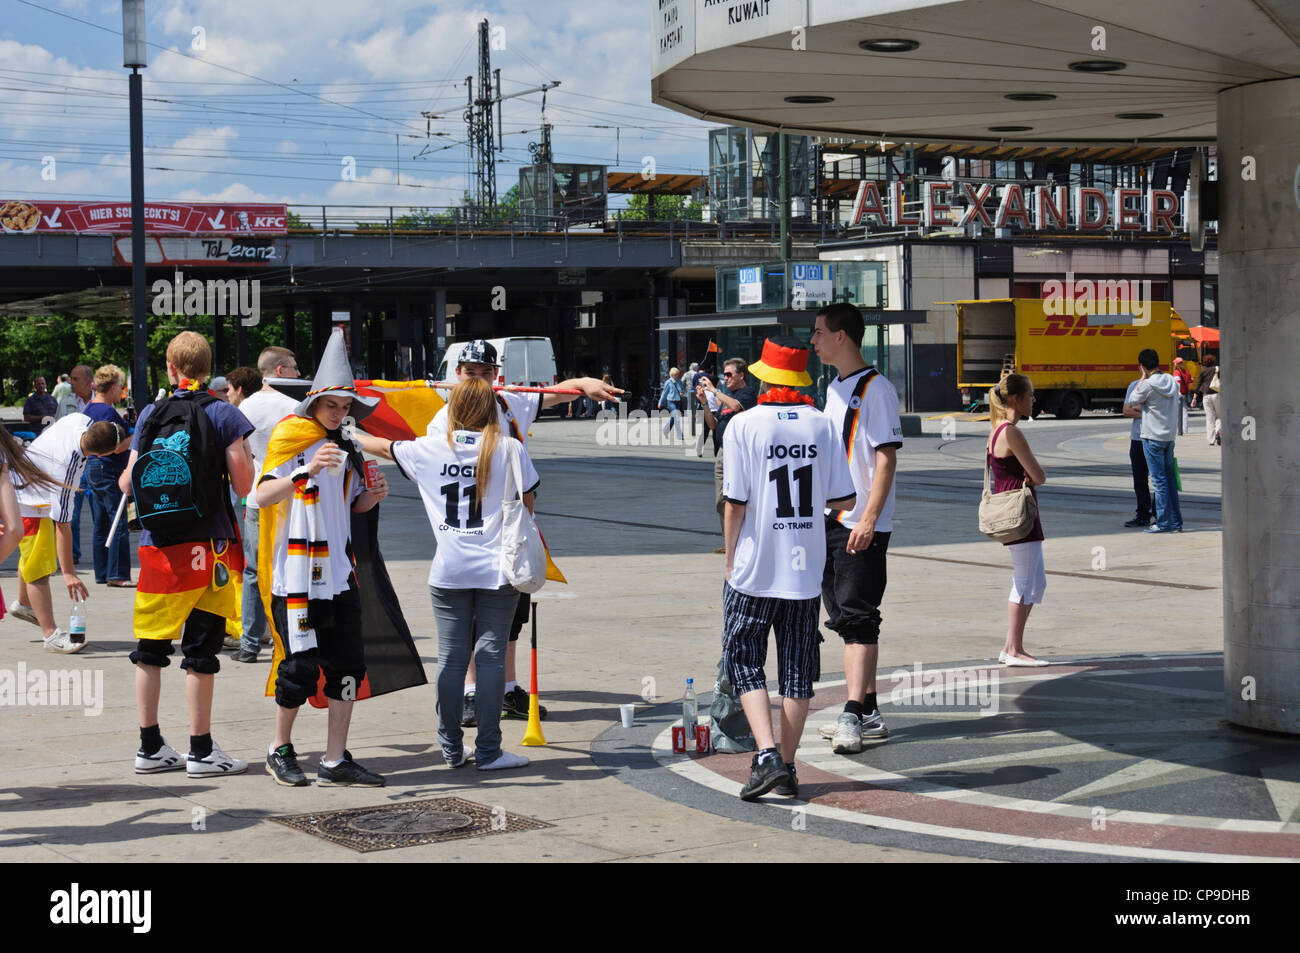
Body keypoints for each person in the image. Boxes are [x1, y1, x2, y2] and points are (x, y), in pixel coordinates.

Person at [428, 339, 622, 724]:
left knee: (510, 620)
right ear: (457, 375)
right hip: (467, 539)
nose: (480, 381)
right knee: (470, 622)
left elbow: (551, 395)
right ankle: (470, 693)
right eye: (471, 373)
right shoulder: (441, 421)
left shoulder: (509, 403)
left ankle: (505, 689)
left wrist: (584, 382)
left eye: (487, 373)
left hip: (510, 537)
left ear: (497, 374)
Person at [357, 377, 540, 770]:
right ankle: (490, 751)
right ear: (492, 409)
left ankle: (451, 748)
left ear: (452, 410)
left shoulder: (429, 449)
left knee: (451, 659)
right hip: (497, 571)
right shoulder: (510, 449)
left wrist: (341, 427)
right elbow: (528, 503)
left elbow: (381, 445)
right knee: (491, 660)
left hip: (449, 569)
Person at [721, 337, 855, 801]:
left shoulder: (743, 424)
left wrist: (728, 555)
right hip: (805, 568)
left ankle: (766, 756)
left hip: (756, 565)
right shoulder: (822, 425)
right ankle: (789, 766)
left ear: (764, 376)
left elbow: (735, 502)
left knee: (743, 658)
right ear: (801, 379)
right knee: (798, 668)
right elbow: (845, 498)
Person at [256, 331, 391, 787]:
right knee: (298, 667)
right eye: (332, 404)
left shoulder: (348, 448)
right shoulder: (292, 438)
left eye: (345, 406)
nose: (339, 412)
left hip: (338, 575)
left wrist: (371, 497)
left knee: (348, 668)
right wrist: (304, 471)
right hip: (295, 577)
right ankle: (279, 748)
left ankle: (335, 759)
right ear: (312, 404)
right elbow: (257, 497)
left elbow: (350, 509)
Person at [119, 331, 256, 777]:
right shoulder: (223, 413)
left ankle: (150, 745)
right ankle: (201, 749)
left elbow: (127, 484)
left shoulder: (151, 415)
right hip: (209, 546)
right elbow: (243, 485)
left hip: (158, 548)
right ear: (208, 367)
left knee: (150, 647)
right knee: (201, 649)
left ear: (171, 368)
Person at [810, 303, 904, 754]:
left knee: (859, 617)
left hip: (860, 525)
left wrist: (868, 519)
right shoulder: (833, 387)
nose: (814, 341)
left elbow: (886, 456)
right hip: (834, 520)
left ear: (841, 336)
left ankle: (850, 714)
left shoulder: (876, 390)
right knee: (848, 619)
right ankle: (868, 711)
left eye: (819, 332)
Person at [8, 414, 119, 652]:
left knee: (31, 555)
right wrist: (69, 573)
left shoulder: (79, 419)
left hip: (23, 487)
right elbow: (63, 525)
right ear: (101, 455)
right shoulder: (68, 471)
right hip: (31, 502)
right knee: (39, 568)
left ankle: (24, 604)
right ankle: (50, 635)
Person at [231, 347, 299, 663]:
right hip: (294, 496)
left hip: (258, 497)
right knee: (291, 566)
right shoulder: (299, 406)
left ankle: (249, 642)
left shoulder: (247, 407)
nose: (299, 374)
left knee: (253, 570)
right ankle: (290, 637)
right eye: (295, 369)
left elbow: (237, 452)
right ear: (281, 370)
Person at [986, 374, 1050, 666]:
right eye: (1031, 395)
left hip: (1014, 513)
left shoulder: (996, 429)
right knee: (1024, 581)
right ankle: (1014, 650)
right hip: (1019, 515)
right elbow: (1039, 476)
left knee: (1036, 582)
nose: (1034, 400)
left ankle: (1011, 646)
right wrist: (1032, 476)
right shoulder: (1011, 431)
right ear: (1016, 399)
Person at [698, 358, 758, 551]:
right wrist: (705, 403)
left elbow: (737, 406)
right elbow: (713, 424)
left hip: (739, 453)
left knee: (738, 498)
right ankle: (729, 541)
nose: (726, 378)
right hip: (722, 452)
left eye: (729, 374)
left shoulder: (747, 393)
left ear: (741, 375)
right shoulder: (725, 398)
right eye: (724, 374)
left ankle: (739, 541)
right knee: (720, 500)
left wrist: (715, 391)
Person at [83, 366, 135, 586]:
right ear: (112, 388)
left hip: (93, 467)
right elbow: (114, 446)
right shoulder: (106, 412)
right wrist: (136, 438)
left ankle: (102, 571)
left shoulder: (89, 409)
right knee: (117, 520)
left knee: (101, 523)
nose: (121, 393)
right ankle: (118, 574)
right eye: (120, 388)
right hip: (108, 467)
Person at [1123, 349, 1183, 533]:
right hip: (1168, 438)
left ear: (1142, 366)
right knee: (1169, 480)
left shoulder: (1148, 384)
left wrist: (1142, 378)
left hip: (1152, 438)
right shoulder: (1172, 382)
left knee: (1159, 482)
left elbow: (1133, 400)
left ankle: (1164, 523)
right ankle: (1175, 521)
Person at [1122, 374, 1155, 527]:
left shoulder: (1159, 386)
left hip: (1155, 438)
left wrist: (1139, 409)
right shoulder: (1134, 385)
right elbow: (1127, 410)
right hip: (1138, 438)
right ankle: (1143, 513)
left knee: (1158, 479)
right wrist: (1148, 413)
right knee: (1140, 480)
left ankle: (1158, 512)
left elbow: (1132, 409)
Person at [1198, 355, 1221, 446]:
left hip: (1206, 396)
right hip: (1217, 394)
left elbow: (1199, 384)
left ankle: (1211, 440)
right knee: (1220, 416)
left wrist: (1195, 397)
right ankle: (1218, 431)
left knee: (1210, 418)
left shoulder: (1203, 371)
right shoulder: (1217, 369)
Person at [659, 367, 684, 441]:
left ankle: (665, 431)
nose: (677, 376)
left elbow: (681, 389)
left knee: (673, 418)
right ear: (672, 375)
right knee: (677, 417)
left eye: (678, 374)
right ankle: (680, 435)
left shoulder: (679, 381)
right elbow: (664, 393)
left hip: (678, 401)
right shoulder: (668, 382)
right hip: (670, 402)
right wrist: (660, 402)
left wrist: (681, 392)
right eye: (676, 374)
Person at [1172, 358, 1192, 435]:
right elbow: (1191, 380)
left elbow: (1177, 382)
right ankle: (1185, 430)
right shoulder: (1187, 372)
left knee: (1178, 413)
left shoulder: (1176, 372)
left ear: (1176, 364)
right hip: (1186, 393)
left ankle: (1180, 430)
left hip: (1179, 394)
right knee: (1185, 412)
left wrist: (1178, 392)